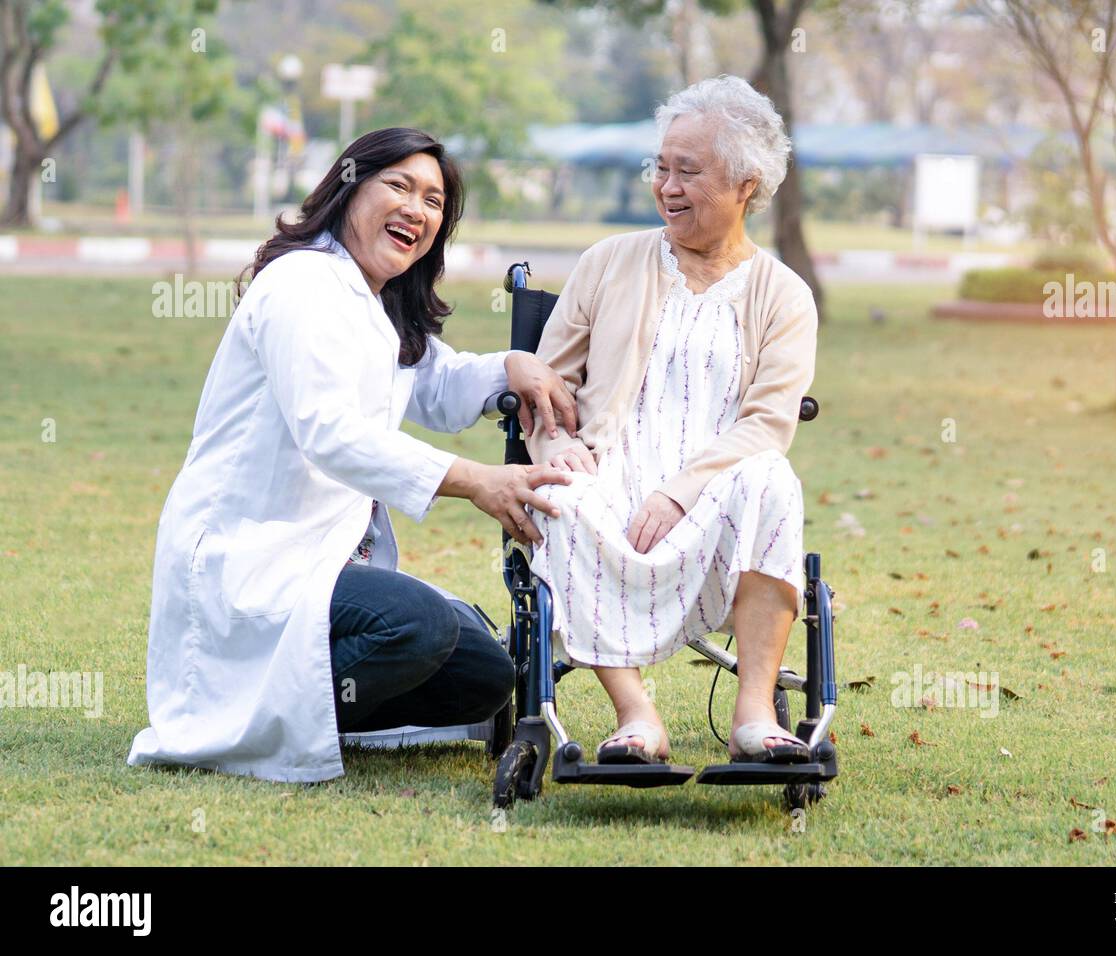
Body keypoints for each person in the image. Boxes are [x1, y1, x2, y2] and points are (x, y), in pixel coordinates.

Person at [127, 128, 573, 783]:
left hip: (324, 564)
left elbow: (439, 383)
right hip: (251, 557)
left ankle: (299, 709)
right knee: (418, 625)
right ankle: (244, 714)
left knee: (486, 673)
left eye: (433, 200)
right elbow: (327, 430)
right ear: (346, 187)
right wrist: (477, 480)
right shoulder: (302, 284)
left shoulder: (376, 305)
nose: (417, 210)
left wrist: (514, 366)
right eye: (398, 186)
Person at [523, 76, 818, 765]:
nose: (667, 186)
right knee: (559, 497)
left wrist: (679, 490)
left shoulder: (783, 296)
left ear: (747, 183)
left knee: (773, 481)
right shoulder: (608, 263)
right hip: (611, 474)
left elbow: (769, 423)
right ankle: (636, 716)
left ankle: (753, 716)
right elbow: (547, 385)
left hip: (714, 489)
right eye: (661, 167)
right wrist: (559, 443)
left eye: (689, 171)